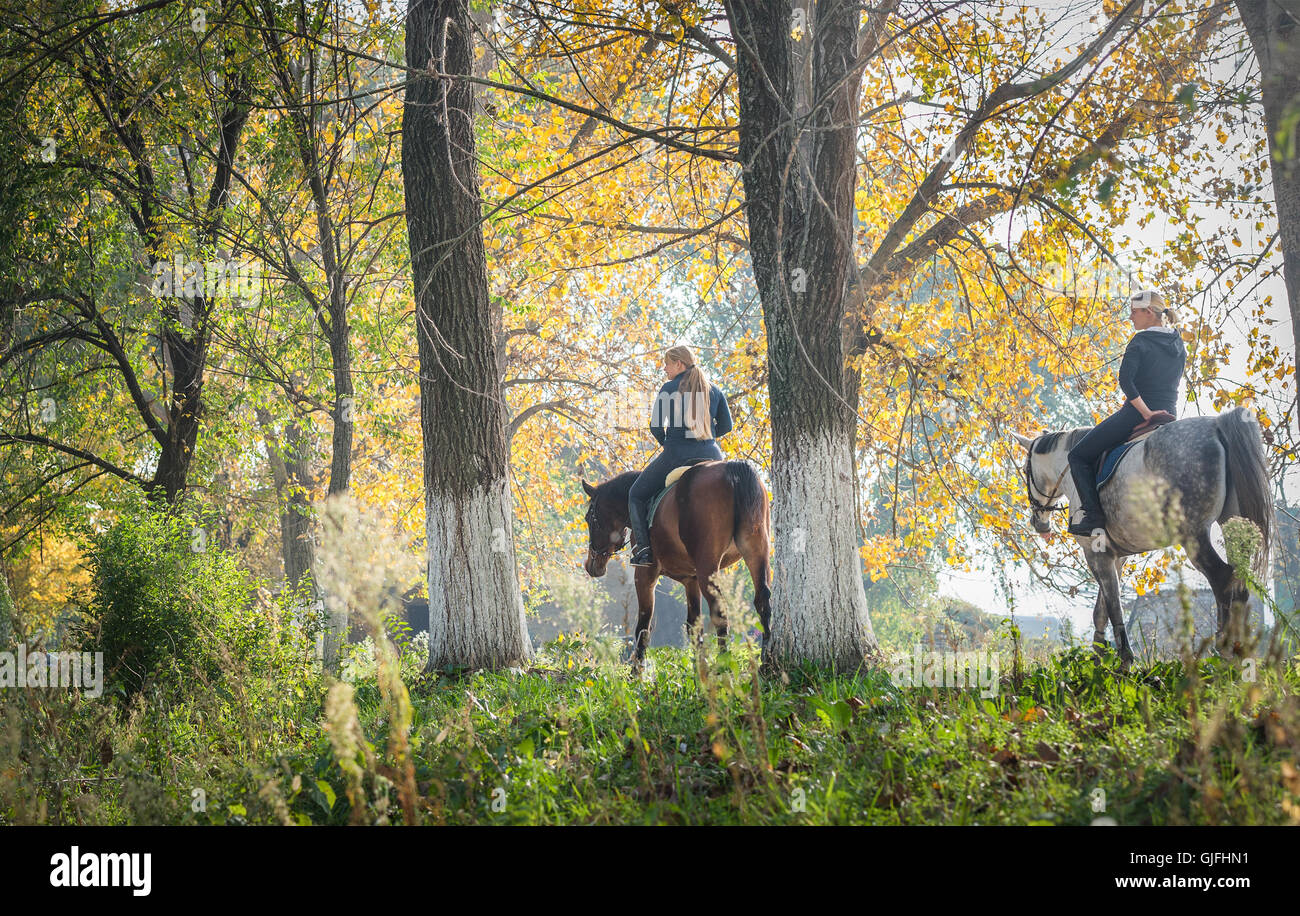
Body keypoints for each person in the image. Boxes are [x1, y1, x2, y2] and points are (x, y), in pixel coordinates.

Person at [1066, 290, 1187, 536]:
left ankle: (1095, 516)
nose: (1130, 318)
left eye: (1134, 312)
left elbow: (1126, 382)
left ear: (1148, 312)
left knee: (1077, 456)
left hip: (1138, 414)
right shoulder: (1178, 342)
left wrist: (1146, 413)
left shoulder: (1140, 341)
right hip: (1171, 415)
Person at [628, 345, 734, 566]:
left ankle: (645, 552)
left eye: (666, 363)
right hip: (713, 457)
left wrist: (669, 444)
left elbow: (656, 427)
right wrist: (709, 436)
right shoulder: (714, 390)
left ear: (679, 364)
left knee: (636, 495)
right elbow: (727, 425)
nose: (664, 368)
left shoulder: (668, 388)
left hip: (676, 455)